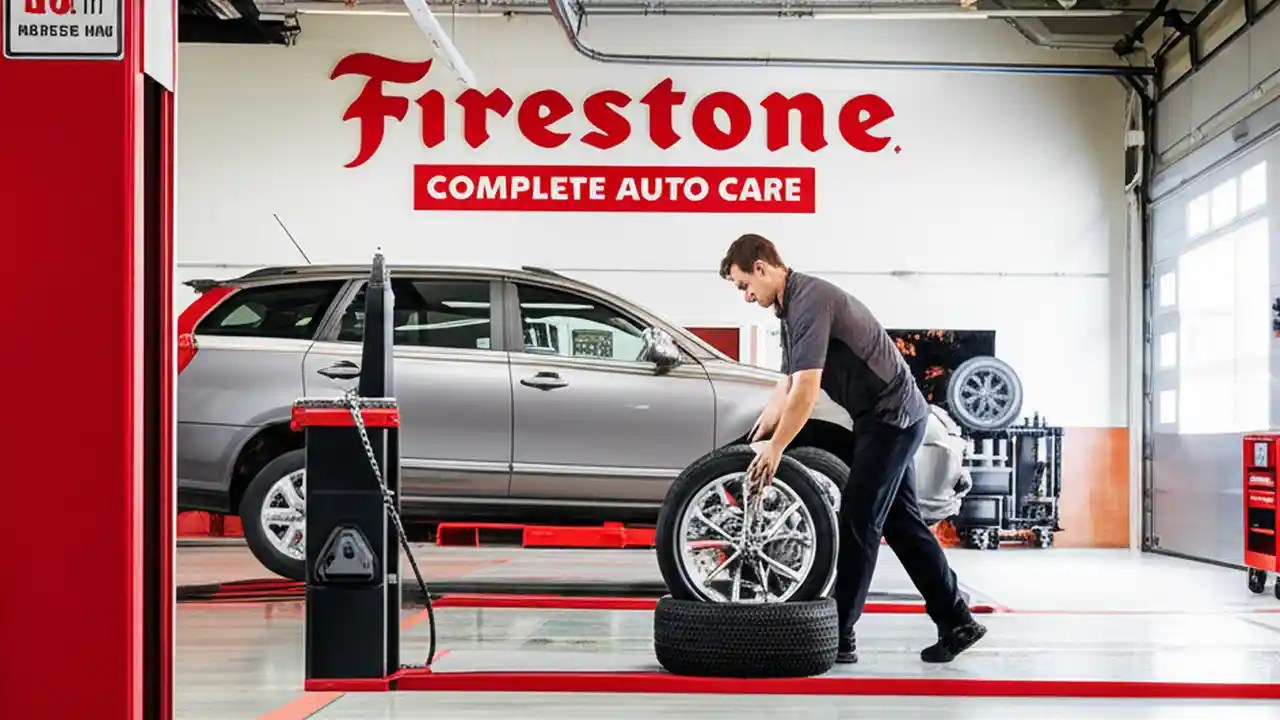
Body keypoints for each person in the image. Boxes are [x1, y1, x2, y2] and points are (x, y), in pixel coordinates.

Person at [719, 233, 986, 665]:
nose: (747, 297)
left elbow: (806, 392)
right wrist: (759, 440)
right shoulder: (791, 310)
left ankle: (841, 634)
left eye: (744, 285)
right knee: (901, 524)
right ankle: (957, 620)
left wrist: (779, 449)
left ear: (762, 268)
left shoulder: (811, 300)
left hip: (892, 417)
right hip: (880, 418)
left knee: (859, 518)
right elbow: (786, 384)